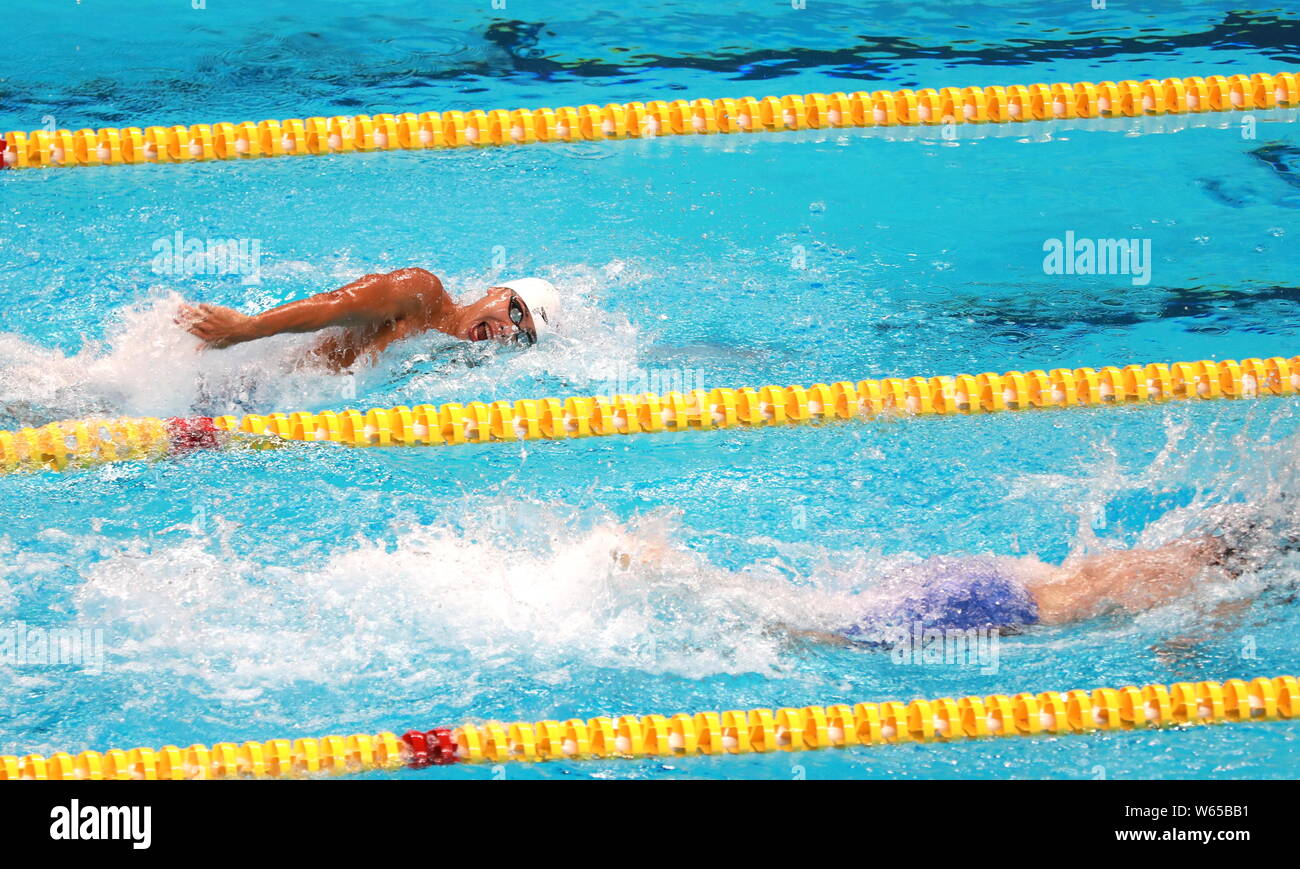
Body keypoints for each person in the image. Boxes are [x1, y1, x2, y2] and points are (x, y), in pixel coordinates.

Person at [176, 269, 562, 371]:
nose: (509, 330)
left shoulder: (459, 363)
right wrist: (248, 329)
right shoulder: (422, 294)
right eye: (516, 311)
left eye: (523, 337)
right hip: (248, 389)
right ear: (495, 290)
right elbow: (333, 305)